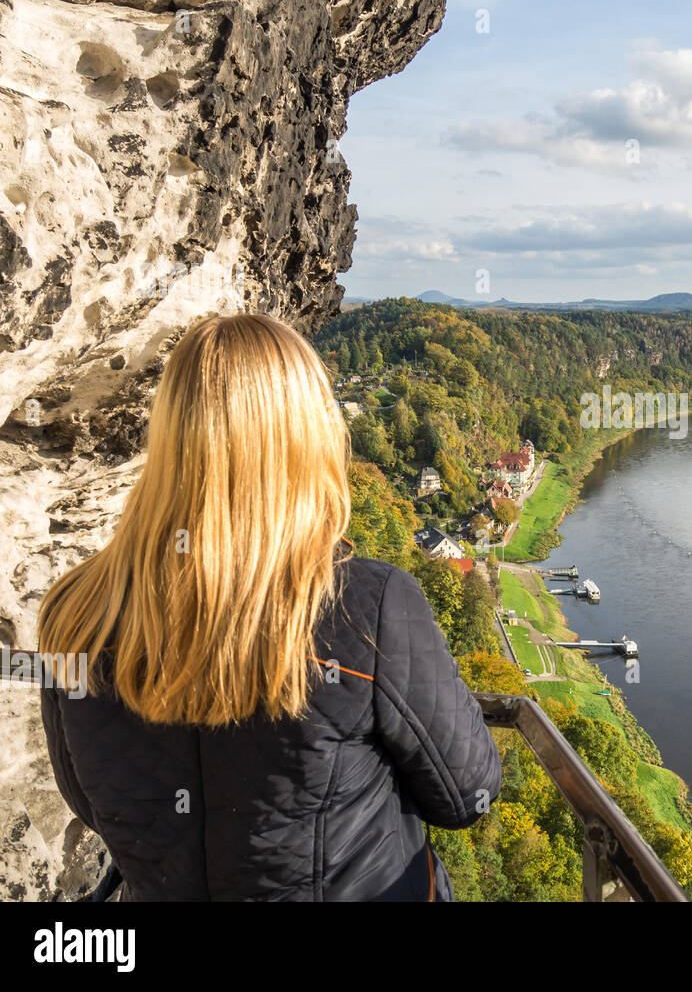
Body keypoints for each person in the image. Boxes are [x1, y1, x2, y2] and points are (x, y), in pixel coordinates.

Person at [38, 312, 500, 901]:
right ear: (310, 437)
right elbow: (468, 796)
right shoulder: (368, 606)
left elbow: (87, 796)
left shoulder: (75, 613)